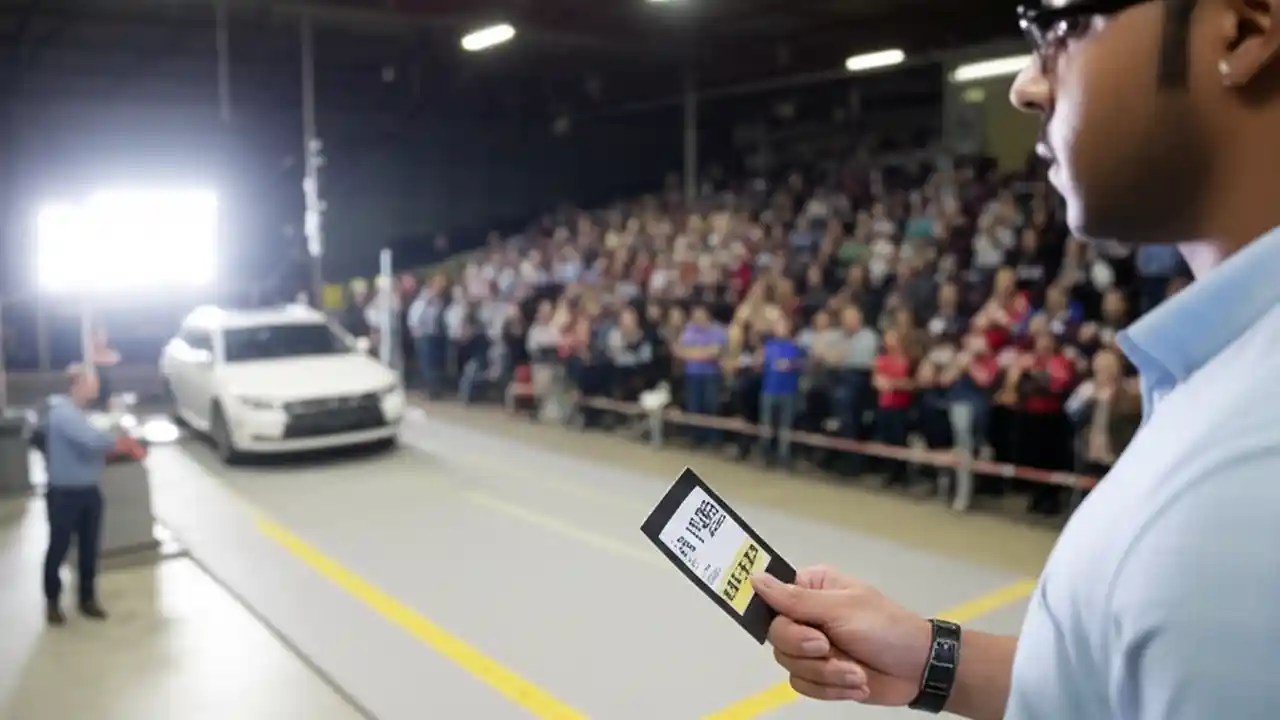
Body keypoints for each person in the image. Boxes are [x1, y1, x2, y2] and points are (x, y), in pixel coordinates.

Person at [751, 2, 1280, 718]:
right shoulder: (1230, 382)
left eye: (1056, 25)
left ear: (1243, 29)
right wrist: (933, 659)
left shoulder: (1247, 482)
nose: (1026, 84)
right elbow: (1108, 685)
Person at [42, 365, 120, 625]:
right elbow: (92, 441)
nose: (96, 388)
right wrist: (117, 434)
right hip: (65, 495)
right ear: (77, 384)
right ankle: (53, 602)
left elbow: (96, 439)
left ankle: (87, 599)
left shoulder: (81, 413)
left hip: (89, 492)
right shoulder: (63, 414)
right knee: (59, 548)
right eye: (93, 382)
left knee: (89, 548)